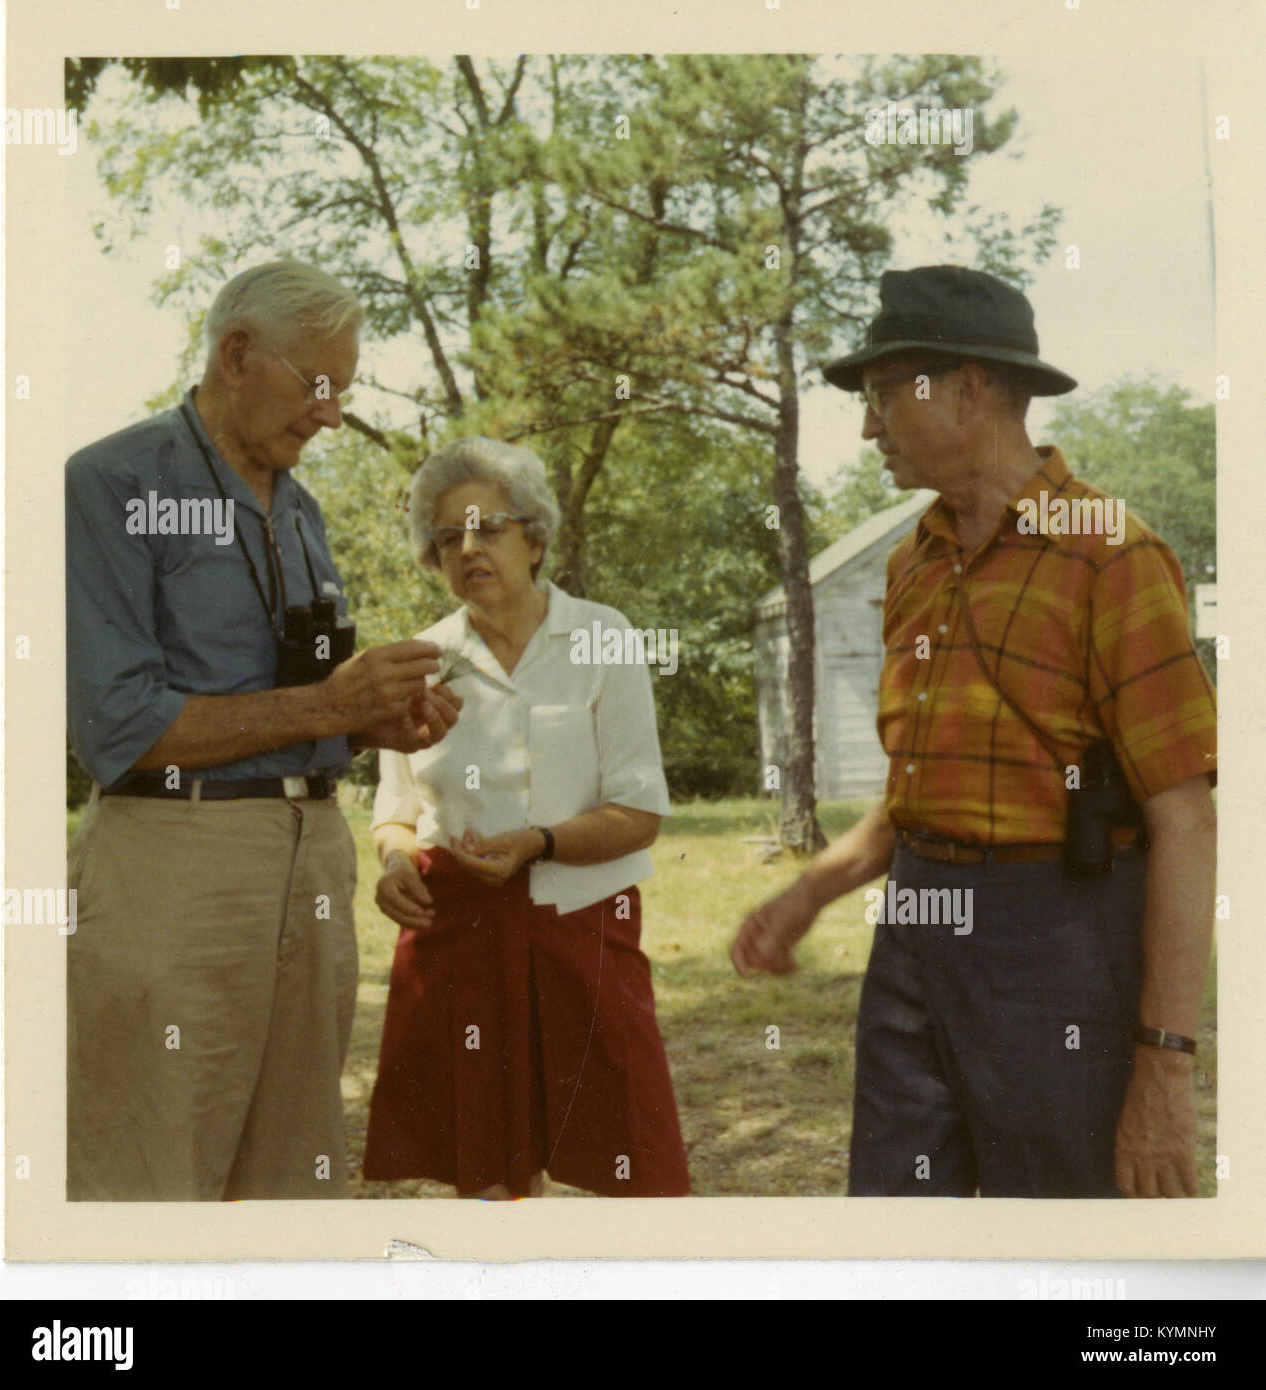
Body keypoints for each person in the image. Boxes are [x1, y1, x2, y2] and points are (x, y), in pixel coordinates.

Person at [730, 265, 1217, 1199]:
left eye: (882, 396)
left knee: (1062, 1228)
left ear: (967, 390)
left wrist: (1163, 1063)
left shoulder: (1111, 556)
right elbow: (918, 792)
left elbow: (1186, 818)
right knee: (896, 1218)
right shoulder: (915, 562)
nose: (868, 428)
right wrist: (811, 892)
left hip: (1057, 942)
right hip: (914, 927)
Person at [65, 261, 461, 1201]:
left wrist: (373, 724)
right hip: (177, 863)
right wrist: (329, 708)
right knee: (152, 1171)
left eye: (344, 391)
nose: (332, 416)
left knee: (295, 1177)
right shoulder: (111, 481)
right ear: (236, 355)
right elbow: (120, 724)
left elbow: (292, 702)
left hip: (312, 862)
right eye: (318, 385)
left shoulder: (303, 508)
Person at [363, 435, 690, 1199]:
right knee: (489, 1177)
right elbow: (395, 813)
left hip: (584, 923)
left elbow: (640, 810)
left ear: (536, 540)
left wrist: (539, 843)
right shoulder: (419, 661)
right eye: (448, 536)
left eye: (488, 528)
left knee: (631, 1161)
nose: (467, 548)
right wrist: (394, 861)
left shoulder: (604, 636)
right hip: (457, 929)